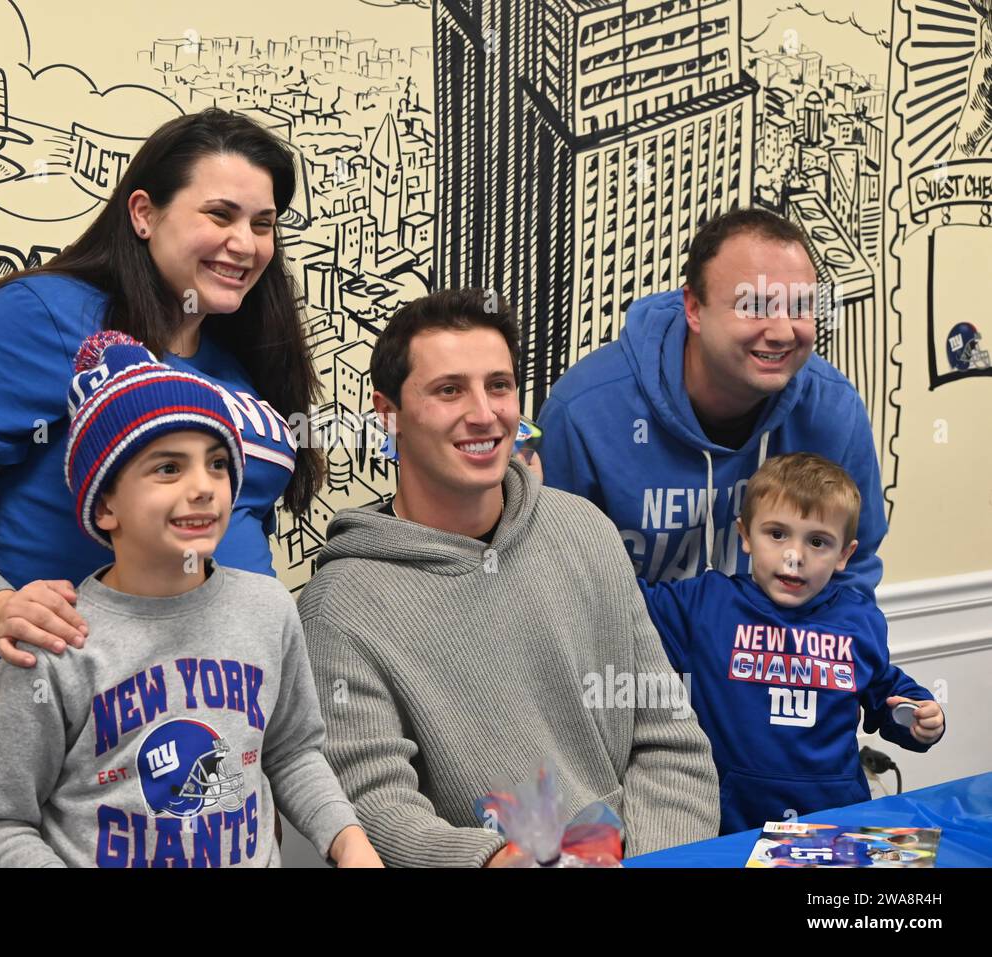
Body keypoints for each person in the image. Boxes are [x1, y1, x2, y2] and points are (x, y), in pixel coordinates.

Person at [0, 109, 322, 835]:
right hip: (70, 741)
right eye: (221, 214)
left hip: (215, 733)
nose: (246, 243)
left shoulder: (236, 360)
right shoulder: (39, 317)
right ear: (142, 213)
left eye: (265, 223)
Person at [298, 289, 720, 867]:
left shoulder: (585, 531)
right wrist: (499, 861)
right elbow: (376, 810)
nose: (484, 412)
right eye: (450, 390)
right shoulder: (340, 608)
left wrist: (648, 861)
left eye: (499, 385)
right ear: (387, 414)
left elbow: (670, 743)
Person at [0, 334, 380, 867]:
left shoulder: (269, 609)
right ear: (106, 505)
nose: (203, 487)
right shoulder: (53, 639)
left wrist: (349, 840)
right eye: (168, 468)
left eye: (218, 464)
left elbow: (292, 752)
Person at [536, 208, 886, 594]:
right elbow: (556, 583)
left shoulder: (834, 409)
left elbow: (853, 568)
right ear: (694, 309)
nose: (783, 331)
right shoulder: (584, 412)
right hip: (629, 650)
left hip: (775, 651)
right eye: (756, 305)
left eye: (801, 306)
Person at [638, 453, 944, 835]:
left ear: (844, 555)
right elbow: (616, 594)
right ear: (746, 535)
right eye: (777, 534)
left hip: (836, 820)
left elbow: (886, 692)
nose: (794, 556)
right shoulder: (705, 604)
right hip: (729, 819)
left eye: (817, 541)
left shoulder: (858, 619)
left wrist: (920, 719)